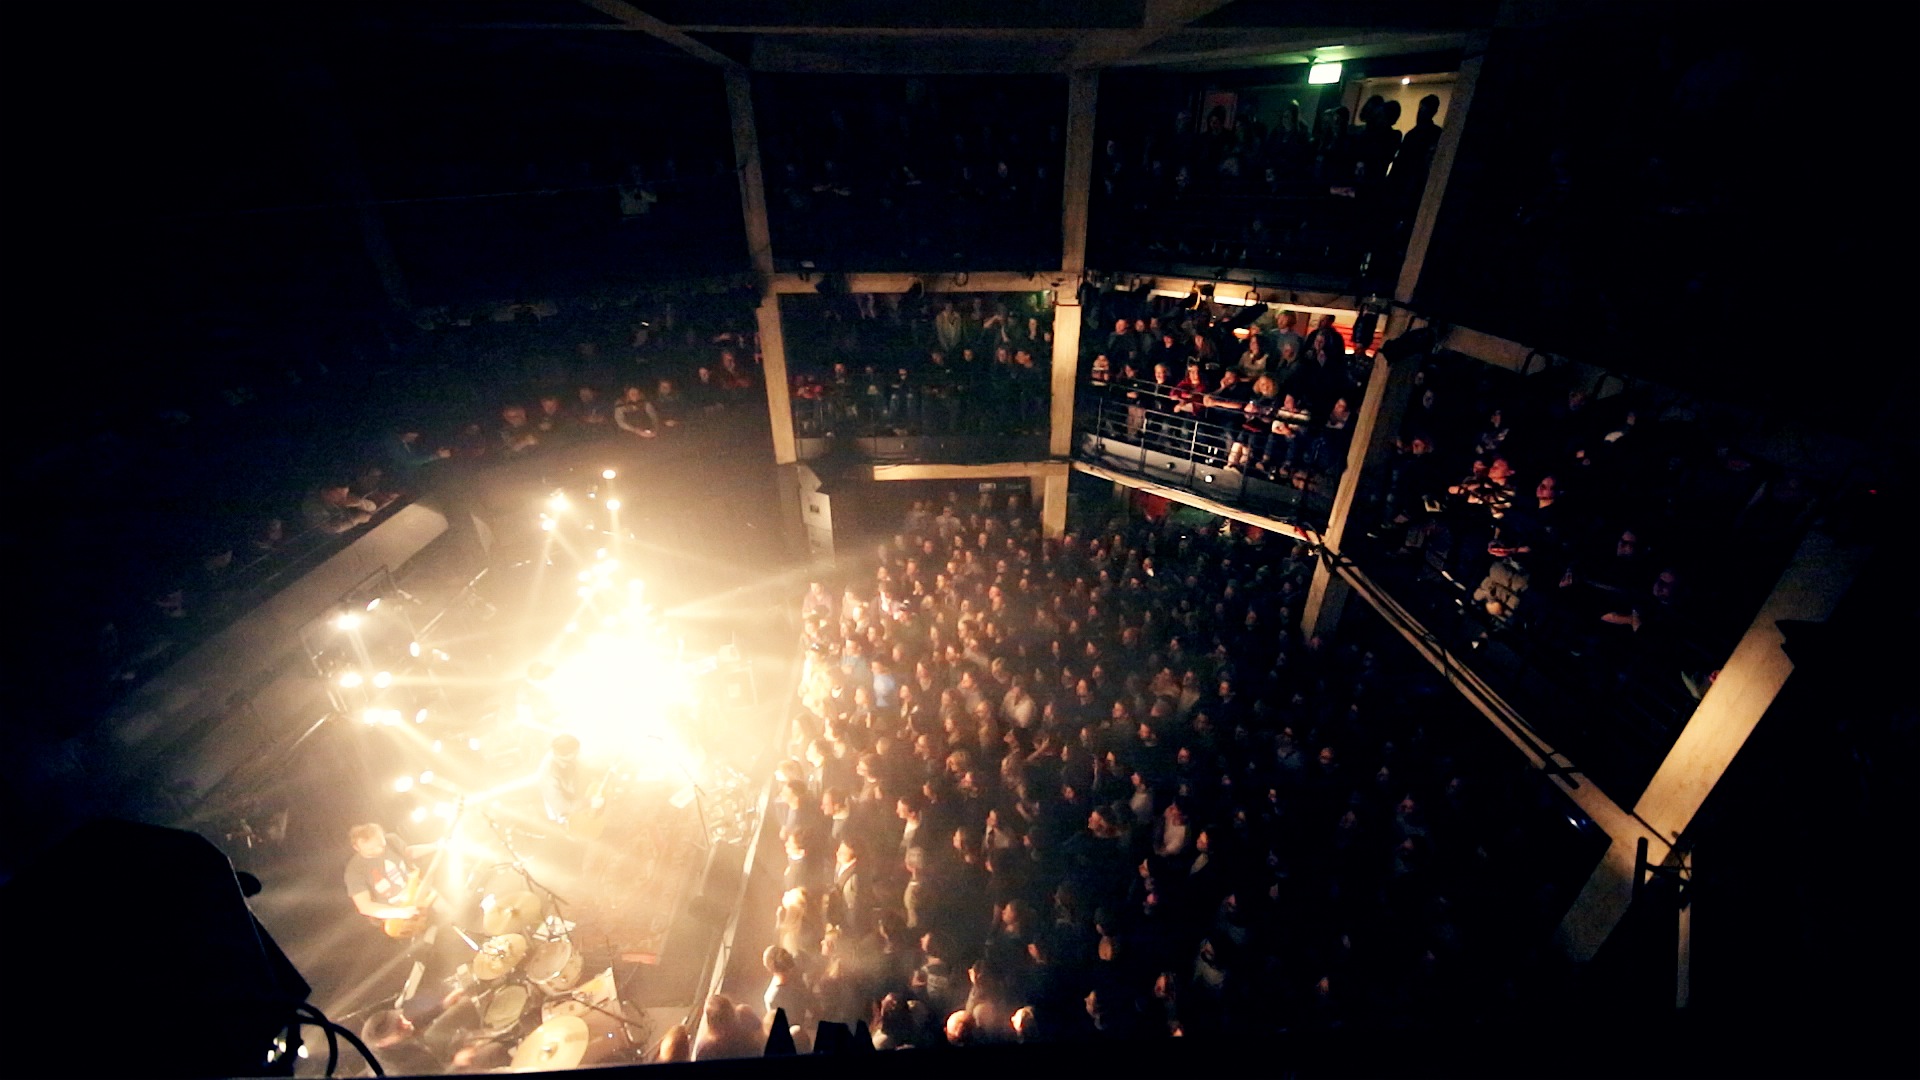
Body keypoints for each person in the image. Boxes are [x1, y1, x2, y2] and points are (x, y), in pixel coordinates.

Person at [344, 823, 438, 923]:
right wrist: (400, 913)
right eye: (371, 849)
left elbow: (409, 853)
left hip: (421, 893)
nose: (379, 850)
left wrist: (436, 846)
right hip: (399, 916)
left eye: (381, 845)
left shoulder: (391, 840)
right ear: (356, 848)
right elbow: (364, 906)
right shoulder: (354, 871)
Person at [539, 734, 584, 824]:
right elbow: (562, 807)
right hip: (563, 814)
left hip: (574, 800)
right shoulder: (548, 775)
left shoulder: (561, 753)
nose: (576, 757)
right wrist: (589, 803)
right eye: (574, 755)